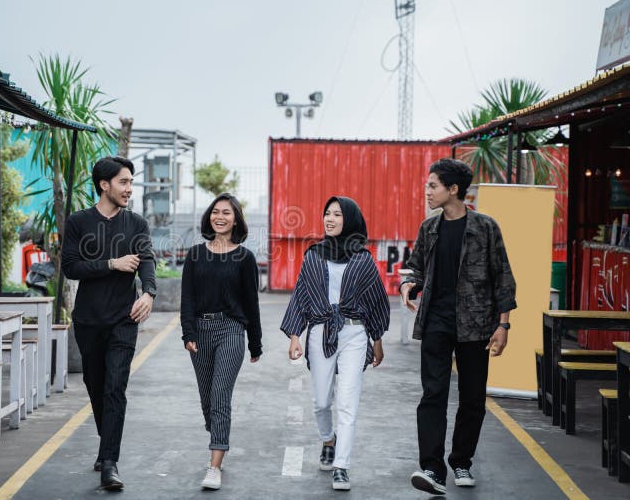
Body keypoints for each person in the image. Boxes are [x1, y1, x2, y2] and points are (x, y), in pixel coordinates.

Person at [401, 158, 517, 495]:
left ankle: (461, 461)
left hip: (477, 325)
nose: (428, 191)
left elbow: (503, 279)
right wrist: (410, 285)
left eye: (433, 186)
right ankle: (433, 469)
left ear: (454, 190)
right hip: (436, 320)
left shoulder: (485, 227)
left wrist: (503, 326)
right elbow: (417, 267)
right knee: (433, 395)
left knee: (472, 398)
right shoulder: (429, 228)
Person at [280, 196, 390, 491]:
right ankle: (329, 440)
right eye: (327, 214)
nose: (329, 219)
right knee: (321, 401)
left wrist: (376, 340)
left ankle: (342, 466)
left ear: (350, 219)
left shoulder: (363, 258)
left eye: (337, 215)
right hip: (320, 331)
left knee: (348, 401)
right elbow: (301, 295)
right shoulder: (313, 255)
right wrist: (295, 335)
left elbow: (376, 300)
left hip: (354, 333)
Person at [61, 156, 156, 491]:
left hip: (123, 319)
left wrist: (149, 293)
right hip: (88, 320)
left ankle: (110, 463)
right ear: (104, 184)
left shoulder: (136, 224)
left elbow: (147, 260)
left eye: (131, 182)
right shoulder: (78, 222)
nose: (129, 189)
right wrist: (111, 263)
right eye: (123, 182)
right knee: (95, 384)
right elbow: (71, 267)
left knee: (115, 387)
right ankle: (107, 446)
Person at [180, 193, 262, 490]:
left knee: (219, 397)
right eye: (215, 212)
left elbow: (251, 303)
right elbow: (186, 298)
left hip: (231, 329)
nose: (220, 217)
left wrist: (255, 343)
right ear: (209, 217)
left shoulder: (245, 258)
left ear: (236, 219)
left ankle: (214, 465)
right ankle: (217, 433)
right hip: (200, 331)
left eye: (227, 212)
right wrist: (188, 333)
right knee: (207, 401)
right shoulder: (195, 255)